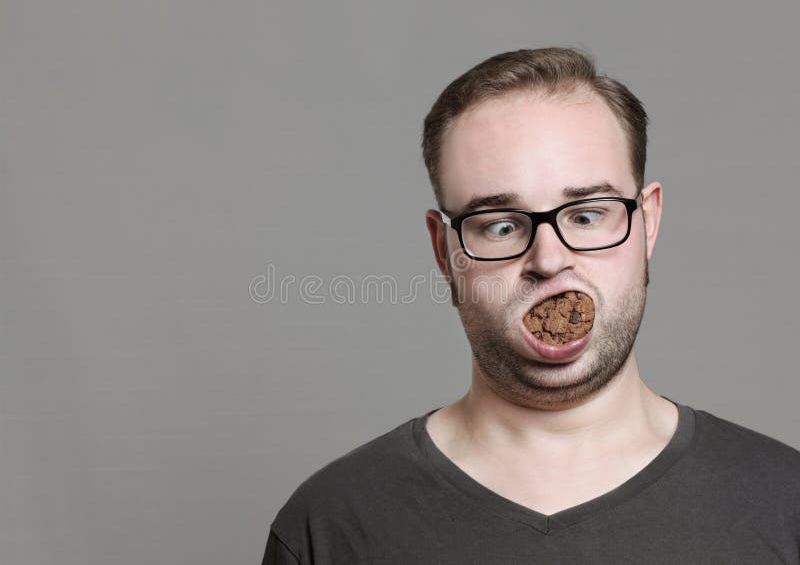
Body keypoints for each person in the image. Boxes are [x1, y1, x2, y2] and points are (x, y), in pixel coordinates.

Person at [262, 48, 800, 564]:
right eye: (500, 225)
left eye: (587, 215)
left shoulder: (784, 505)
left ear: (647, 223)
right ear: (443, 250)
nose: (549, 259)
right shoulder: (330, 526)